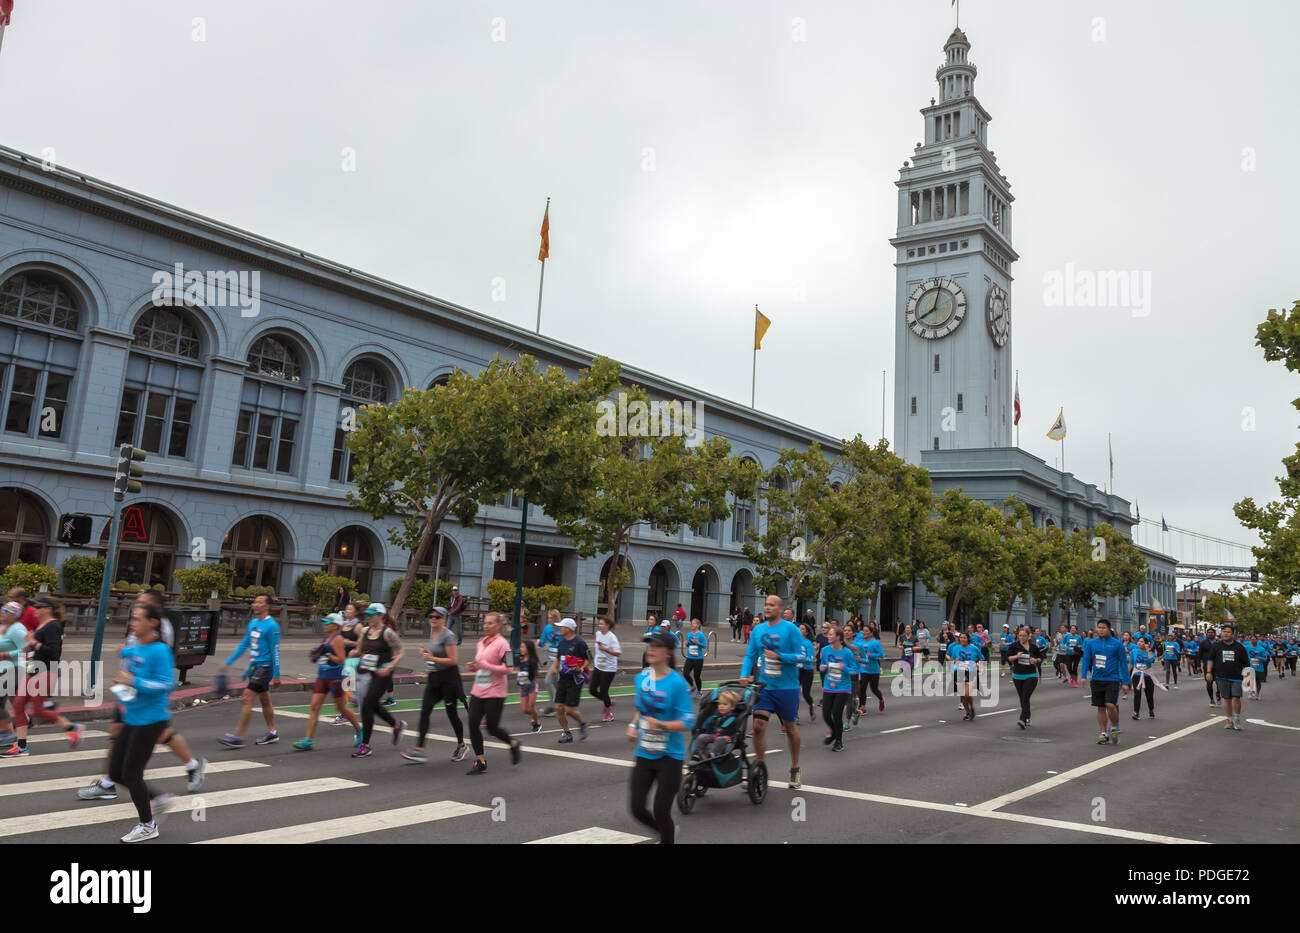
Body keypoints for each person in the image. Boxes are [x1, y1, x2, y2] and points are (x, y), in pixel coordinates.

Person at [78, 591, 207, 798]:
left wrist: (133, 680)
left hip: (146, 696)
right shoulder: (141, 625)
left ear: (153, 613)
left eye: (142, 604)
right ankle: (191, 766)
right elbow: (137, 653)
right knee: (152, 734)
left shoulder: (160, 630)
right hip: (131, 690)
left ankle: (112, 782)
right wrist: (125, 657)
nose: (136, 609)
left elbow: (158, 668)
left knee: (141, 738)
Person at [109, 601, 177, 842]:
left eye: (137, 619)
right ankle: (158, 798)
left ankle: (148, 825)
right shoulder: (137, 645)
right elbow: (134, 656)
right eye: (132, 619)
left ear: (153, 623)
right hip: (132, 717)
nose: (132, 623)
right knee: (115, 773)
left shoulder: (161, 651)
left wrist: (133, 681)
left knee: (131, 774)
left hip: (151, 720)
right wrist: (123, 652)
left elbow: (168, 684)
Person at [627, 629, 693, 844]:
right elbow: (642, 708)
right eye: (649, 645)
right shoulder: (641, 678)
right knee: (636, 807)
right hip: (645, 752)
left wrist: (663, 725)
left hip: (670, 757)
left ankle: (667, 835)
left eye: (656, 646)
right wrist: (633, 725)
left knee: (661, 810)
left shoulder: (676, 683)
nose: (651, 649)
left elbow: (689, 720)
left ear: (668, 652)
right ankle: (666, 832)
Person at [3, 596, 83, 757]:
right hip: (34, 669)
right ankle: (21, 746)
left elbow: (53, 652)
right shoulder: (43, 625)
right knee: (18, 705)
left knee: (38, 710)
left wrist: (33, 642)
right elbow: (39, 648)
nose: (35, 610)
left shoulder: (53, 625)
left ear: (47, 609)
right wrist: (29, 647)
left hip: (45, 671)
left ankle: (71, 727)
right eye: (35, 607)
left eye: (39, 608)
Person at [740, 594, 804, 789]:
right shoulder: (758, 630)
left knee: (790, 728)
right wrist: (744, 674)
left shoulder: (791, 629)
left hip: (787, 688)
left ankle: (795, 768)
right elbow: (750, 654)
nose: (767, 608)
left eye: (771, 605)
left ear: (780, 609)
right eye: (766, 604)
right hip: (765, 687)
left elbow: (802, 656)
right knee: (758, 725)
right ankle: (759, 768)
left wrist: (780, 656)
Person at [400, 606, 466, 763]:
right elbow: (434, 656)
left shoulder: (448, 636)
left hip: (449, 680)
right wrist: (426, 655)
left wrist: (432, 658)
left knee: (452, 714)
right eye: (430, 616)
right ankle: (419, 750)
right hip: (435, 678)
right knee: (425, 711)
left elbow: (453, 660)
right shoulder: (434, 633)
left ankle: (461, 745)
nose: (433, 619)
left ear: (444, 619)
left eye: (437, 617)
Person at [217, 594, 282, 748]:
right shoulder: (253, 623)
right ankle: (272, 733)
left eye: (260, 602)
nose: (256, 604)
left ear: (267, 606)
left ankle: (238, 737)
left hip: (265, 668)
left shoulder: (272, 626)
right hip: (255, 667)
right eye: (255, 602)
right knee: (265, 699)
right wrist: (228, 663)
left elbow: (276, 651)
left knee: (246, 698)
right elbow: (244, 645)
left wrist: (277, 675)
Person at [294, 614, 362, 751]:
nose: (324, 625)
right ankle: (308, 740)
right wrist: (315, 654)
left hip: (335, 677)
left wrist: (328, 655)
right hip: (322, 676)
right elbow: (321, 653)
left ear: (335, 625)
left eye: (327, 623)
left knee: (341, 708)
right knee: (314, 707)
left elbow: (342, 660)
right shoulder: (327, 637)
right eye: (324, 622)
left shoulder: (337, 639)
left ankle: (360, 730)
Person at [464, 611, 522, 774]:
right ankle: (480, 761)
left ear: (498, 625)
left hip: (495, 692)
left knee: (492, 728)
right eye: (485, 623)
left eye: (490, 623)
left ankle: (513, 743)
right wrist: (474, 666)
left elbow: (509, 669)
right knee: (472, 723)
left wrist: (485, 666)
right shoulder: (481, 642)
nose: (486, 626)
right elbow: (480, 663)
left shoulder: (503, 644)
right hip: (478, 690)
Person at [350, 604, 405, 758]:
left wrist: (390, 666)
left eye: (372, 615)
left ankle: (366, 745)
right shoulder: (365, 631)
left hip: (383, 673)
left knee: (367, 704)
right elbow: (359, 651)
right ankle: (396, 725)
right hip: (368, 671)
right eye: (367, 615)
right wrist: (350, 653)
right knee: (372, 705)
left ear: (380, 615)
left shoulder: (388, 634)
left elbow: (400, 653)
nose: (369, 618)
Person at [1081, 619, 1130, 746]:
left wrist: (1126, 682)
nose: (1101, 630)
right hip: (1096, 679)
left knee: (1111, 705)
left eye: (1103, 628)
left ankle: (1113, 726)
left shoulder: (1117, 644)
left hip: (1112, 679)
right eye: (1099, 627)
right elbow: (1086, 659)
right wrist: (1083, 676)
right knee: (1101, 707)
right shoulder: (1091, 643)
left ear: (1109, 629)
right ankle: (1103, 733)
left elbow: (1123, 664)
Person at [550, 618, 590, 743]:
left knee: (569, 709)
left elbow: (588, 659)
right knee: (559, 707)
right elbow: (558, 658)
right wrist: (553, 668)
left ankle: (582, 723)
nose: (559, 628)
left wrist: (581, 668)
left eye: (561, 626)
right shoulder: (561, 643)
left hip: (575, 679)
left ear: (568, 629)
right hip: (563, 678)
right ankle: (567, 733)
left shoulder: (579, 643)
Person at [818, 625, 855, 751]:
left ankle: (838, 741)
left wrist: (843, 667)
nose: (828, 636)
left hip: (843, 687)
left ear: (838, 637)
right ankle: (834, 732)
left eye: (831, 634)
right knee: (826, 714)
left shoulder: (847, 652)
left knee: (836, 714)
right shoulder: (826, 650)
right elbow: (822, 665)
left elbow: (855, 670)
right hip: (829, 686)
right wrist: (822, 668)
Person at [1206, 623, 1248, 730]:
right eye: (1224, 632)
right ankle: (1229, 720)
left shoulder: (1240, 647)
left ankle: (1237, 720)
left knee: (1236, 698)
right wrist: (1208, 672)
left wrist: (1248, 678)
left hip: (1236, 678)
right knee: (1227, 699)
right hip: (1221, 677)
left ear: (1233, 634)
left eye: (1228, 632)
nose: (1225, 634)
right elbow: (1210, 660)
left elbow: (1246, 664)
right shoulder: (1216, 646)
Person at [0, 600, 28, 748]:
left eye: (6, 611)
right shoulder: (4, 627)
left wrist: (6, 655)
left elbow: (27, 648)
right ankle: (7, 731)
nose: (1, 612)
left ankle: (7, 734)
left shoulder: (17, 629)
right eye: (2, 609)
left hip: (14, 669)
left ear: (14, 615)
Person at [1006, 626, 1043, 728]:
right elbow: (1008, 658)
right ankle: (1027, 717)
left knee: (1025, 696)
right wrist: (1016, 656)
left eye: (1024, 636)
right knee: (1023, 698)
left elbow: (1041, 658)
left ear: (1028, 636)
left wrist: (1035, 660)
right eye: (1020, 636)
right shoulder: (1014, 646)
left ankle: (1022, 719)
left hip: (1031, 675)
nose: (1021, 638)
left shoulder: (1033, 647)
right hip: (1018, 676)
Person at [691, 689, 741, 760]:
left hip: (725, 739)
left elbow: (737, 731)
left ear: (732, 707)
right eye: (719, 704)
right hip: (714, 736)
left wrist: (732, 738)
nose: (721, 706)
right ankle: (697, 753)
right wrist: (707, 734)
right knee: (701, 736)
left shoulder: (734, 719)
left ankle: (712, 754)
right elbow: (710, 727)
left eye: (725, 704)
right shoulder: (716, 716)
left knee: (721, 739)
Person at [591, 616, 621, 721]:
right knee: (592, 690)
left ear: (607, 625)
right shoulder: (598, 634)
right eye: (599, 624)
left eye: (602, 624)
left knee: (604, 690)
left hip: (609, 668)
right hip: (598, 666)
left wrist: (605, 649)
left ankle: (609, 714)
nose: (599, 625)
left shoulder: (612, 637)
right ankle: (607, 700)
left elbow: (617, 653)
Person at [1129, 636, 1159, 720]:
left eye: (1142, 642)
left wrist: (1148, 650)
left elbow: (1151, 660)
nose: (1139, 643)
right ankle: (1136, 712)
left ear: (1146, 644)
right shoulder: (1134, 651)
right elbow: (1131, 663)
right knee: (1137, 694)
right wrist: (1127, 675)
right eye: (1139, 641)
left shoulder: (1149, 652)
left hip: (1147, 676)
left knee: (1149, 695)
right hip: (1137, 675)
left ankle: (1151, 710)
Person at [953, 633, 981, 721]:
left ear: (968, 639)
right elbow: (953, 660)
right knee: (962, 696)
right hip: (959, 672)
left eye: (964, 638)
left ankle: (972, 707)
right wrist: (955, 661)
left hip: (971, 672)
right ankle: (968, 711)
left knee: (967, 694)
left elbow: (981, 658)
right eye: (961, 638)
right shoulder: (956, 648)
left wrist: (977, 663)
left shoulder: (974, 648)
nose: (962, 639)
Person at [516, 639, 541, 733]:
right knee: (524, 710)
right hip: (522, 686)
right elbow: (520, 671)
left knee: (531, 706)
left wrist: (529, 673)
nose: (521, 649)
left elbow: (537, 673)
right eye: (521, 647)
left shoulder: (532, 661)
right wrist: (519, 677)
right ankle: (534, 715)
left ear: (528, 648)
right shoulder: (520, 659)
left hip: (531, 685)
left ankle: (536, 723)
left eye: (523, 647)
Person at [539, 609, 561, 715]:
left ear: (556, 618)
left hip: (559, 660)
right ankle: (561, 704)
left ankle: (553, 706)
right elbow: (542, 642)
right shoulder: (547, 628)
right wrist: (540, 643)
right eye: (548, 617)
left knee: (548, 681)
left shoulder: (562, 628)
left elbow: (564, 643)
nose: (549, 620)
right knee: (556, 683)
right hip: (550, 659)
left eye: (551, 618)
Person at [683, 618, 707, 697]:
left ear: (697, 625)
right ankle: (692, 686)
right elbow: (689, 644)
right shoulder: (688, 634)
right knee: (685, 673)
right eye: (691, 623)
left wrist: (698, 643)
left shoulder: (700, 635)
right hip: (690, 657)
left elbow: (704, 645)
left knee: (696, 676)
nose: (692, 625)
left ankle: (699, 691)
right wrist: (686, 643)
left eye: (694, 623)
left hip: (698, 658)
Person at [1246, 633, 1269, 700]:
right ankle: (1251, 692)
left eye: (1255, 639)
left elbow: (1265, 659)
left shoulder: (1261, 649)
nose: (1253, 641)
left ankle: (1257, 694)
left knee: (1258, 682)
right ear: (1250, 640)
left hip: (1259, 668)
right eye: (1252, 639)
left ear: (1257, 640)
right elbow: (1243, 657)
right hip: (1250, 667)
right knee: (1250, 681)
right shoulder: (1247, 647)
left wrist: (1260, 658)